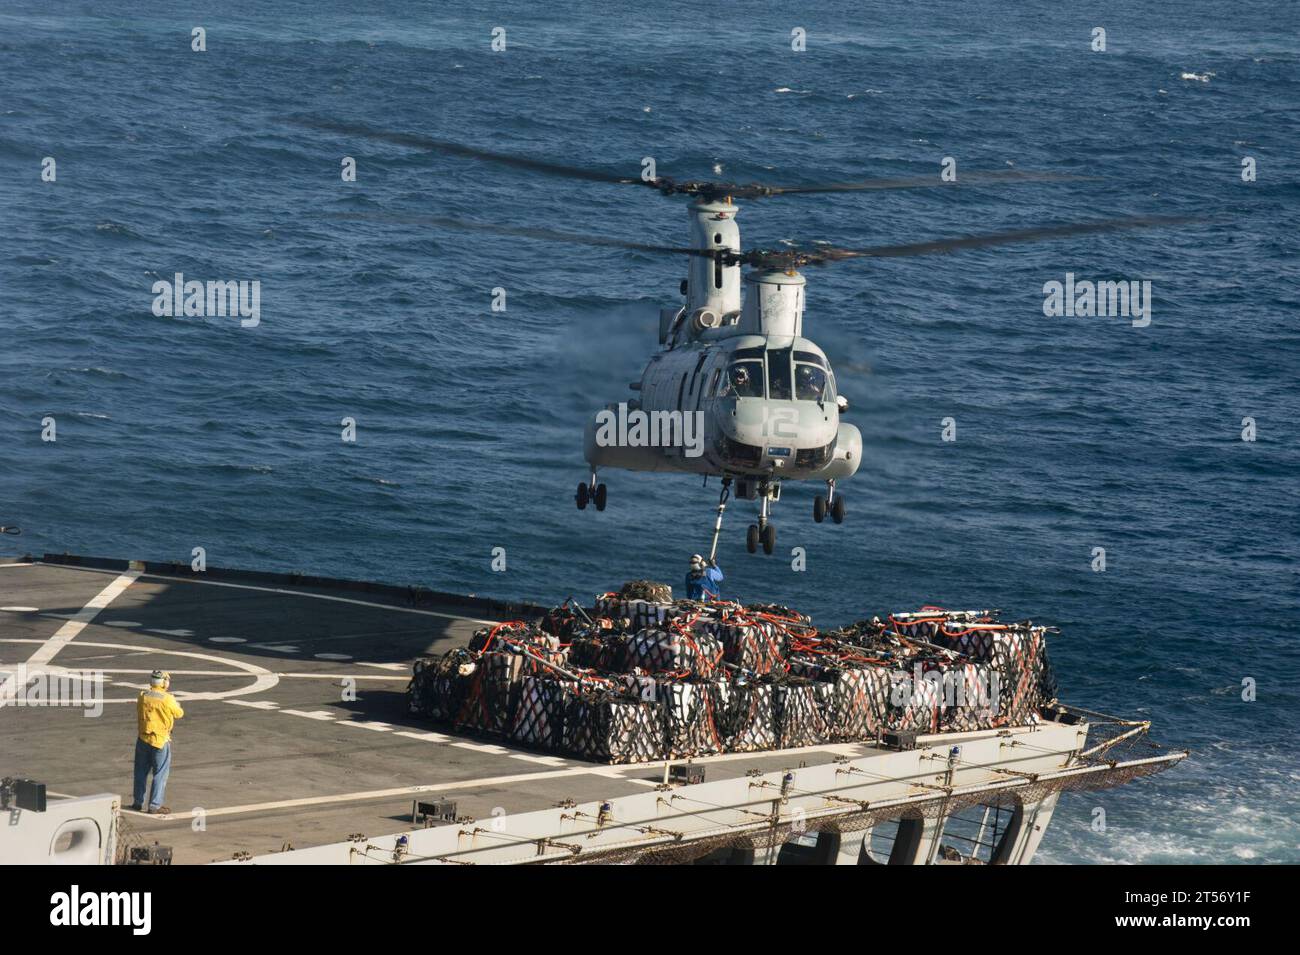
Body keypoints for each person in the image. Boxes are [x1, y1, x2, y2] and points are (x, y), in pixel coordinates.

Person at [132, 670, 184, 814]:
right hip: (160, 740)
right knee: (160, 774)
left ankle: (137, 801)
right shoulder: (167, 698)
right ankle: (154, 805)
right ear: (164, 683)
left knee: (140, 772)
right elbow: (179, 713)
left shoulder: (142, 696)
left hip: (142, 738)